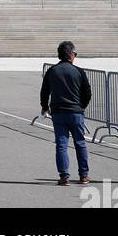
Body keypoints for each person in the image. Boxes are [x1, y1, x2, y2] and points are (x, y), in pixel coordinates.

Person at [40, 41, 91, 185]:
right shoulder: (78, 71)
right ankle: (84, 175)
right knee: (80, 143)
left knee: (61, 144)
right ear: (71, 55)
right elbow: (87, 92)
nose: (75, 56)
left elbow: (44, 91)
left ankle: (64, 177)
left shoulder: (52, 71)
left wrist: (45, 107)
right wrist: (82, 106)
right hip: (76, 112)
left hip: (58, 113)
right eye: (75, 54)